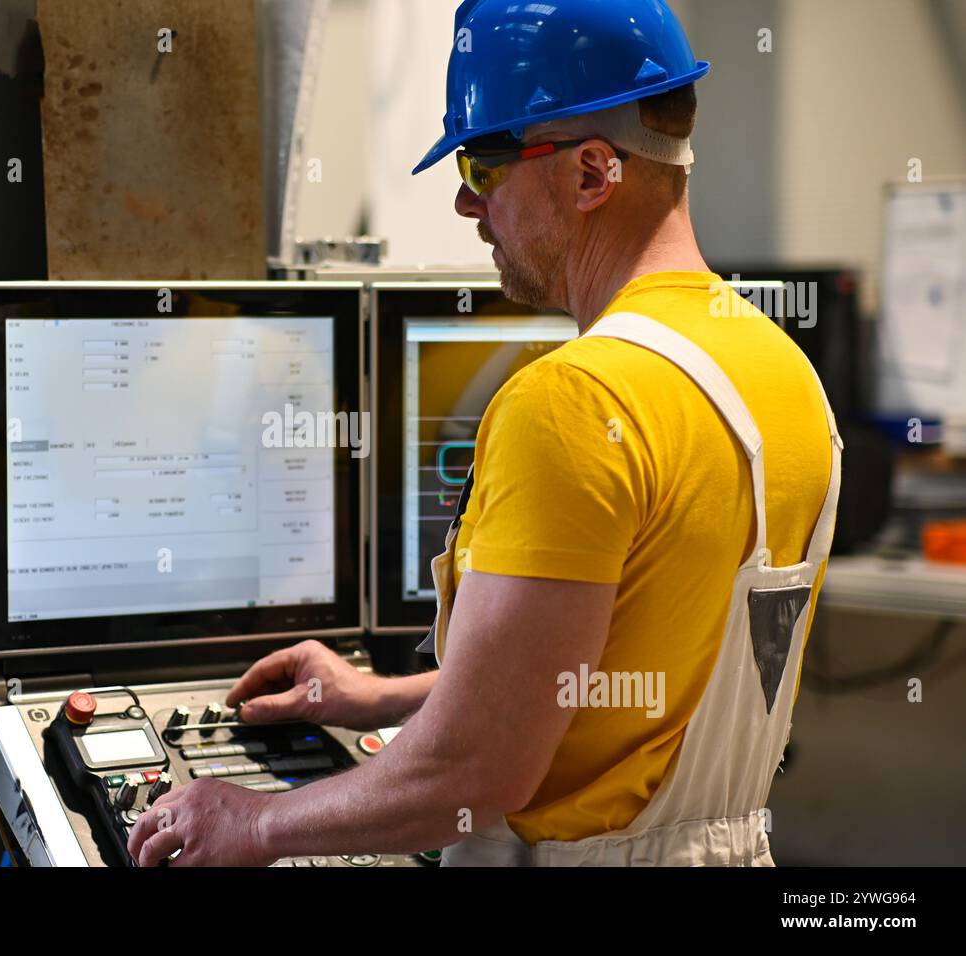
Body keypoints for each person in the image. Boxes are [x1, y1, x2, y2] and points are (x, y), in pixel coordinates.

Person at [127, 0, 841, 866]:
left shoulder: (573, 404)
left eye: (485, 163)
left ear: (590, 174)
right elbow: (612, 663)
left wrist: (254, 822)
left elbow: (469, 775)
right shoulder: (780, 373)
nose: (467, 202)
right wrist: (384, 694)